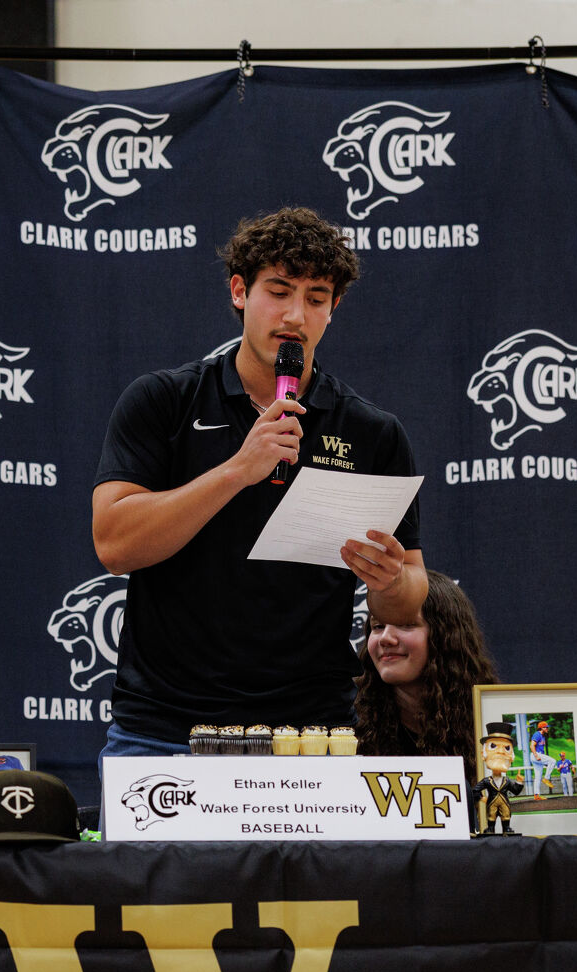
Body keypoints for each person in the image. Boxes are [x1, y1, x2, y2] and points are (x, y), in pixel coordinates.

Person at [92, 206, 429, 756]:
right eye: (278, 290)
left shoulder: (372, 432)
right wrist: (235, 471)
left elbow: (409, 596)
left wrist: (389, 581)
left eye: (316, 298)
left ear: (332, 310)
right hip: (163, 729)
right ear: (238, 292)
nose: (295, 315)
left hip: (311, 734)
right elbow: (114, 544)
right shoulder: (162, 401)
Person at [353, 570, 499, 759]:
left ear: (446, 637)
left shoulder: (491, 718)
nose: (386, 638)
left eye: (406, 624)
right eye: (378, 627)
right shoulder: (346, 723)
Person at [473, 720, 524, 836]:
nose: (500, 752)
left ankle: (507, 828)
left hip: (504, 803)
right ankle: (490, 828)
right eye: (493, 746)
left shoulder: (507, 781)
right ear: (483, 754)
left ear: (512, 757)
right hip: (491, 803)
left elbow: (515, 791)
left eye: (506, 748)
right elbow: (475, 790)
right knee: (491, 815)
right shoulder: (487, 781)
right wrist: (481, 798)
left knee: (506, 815)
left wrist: (519, 782)